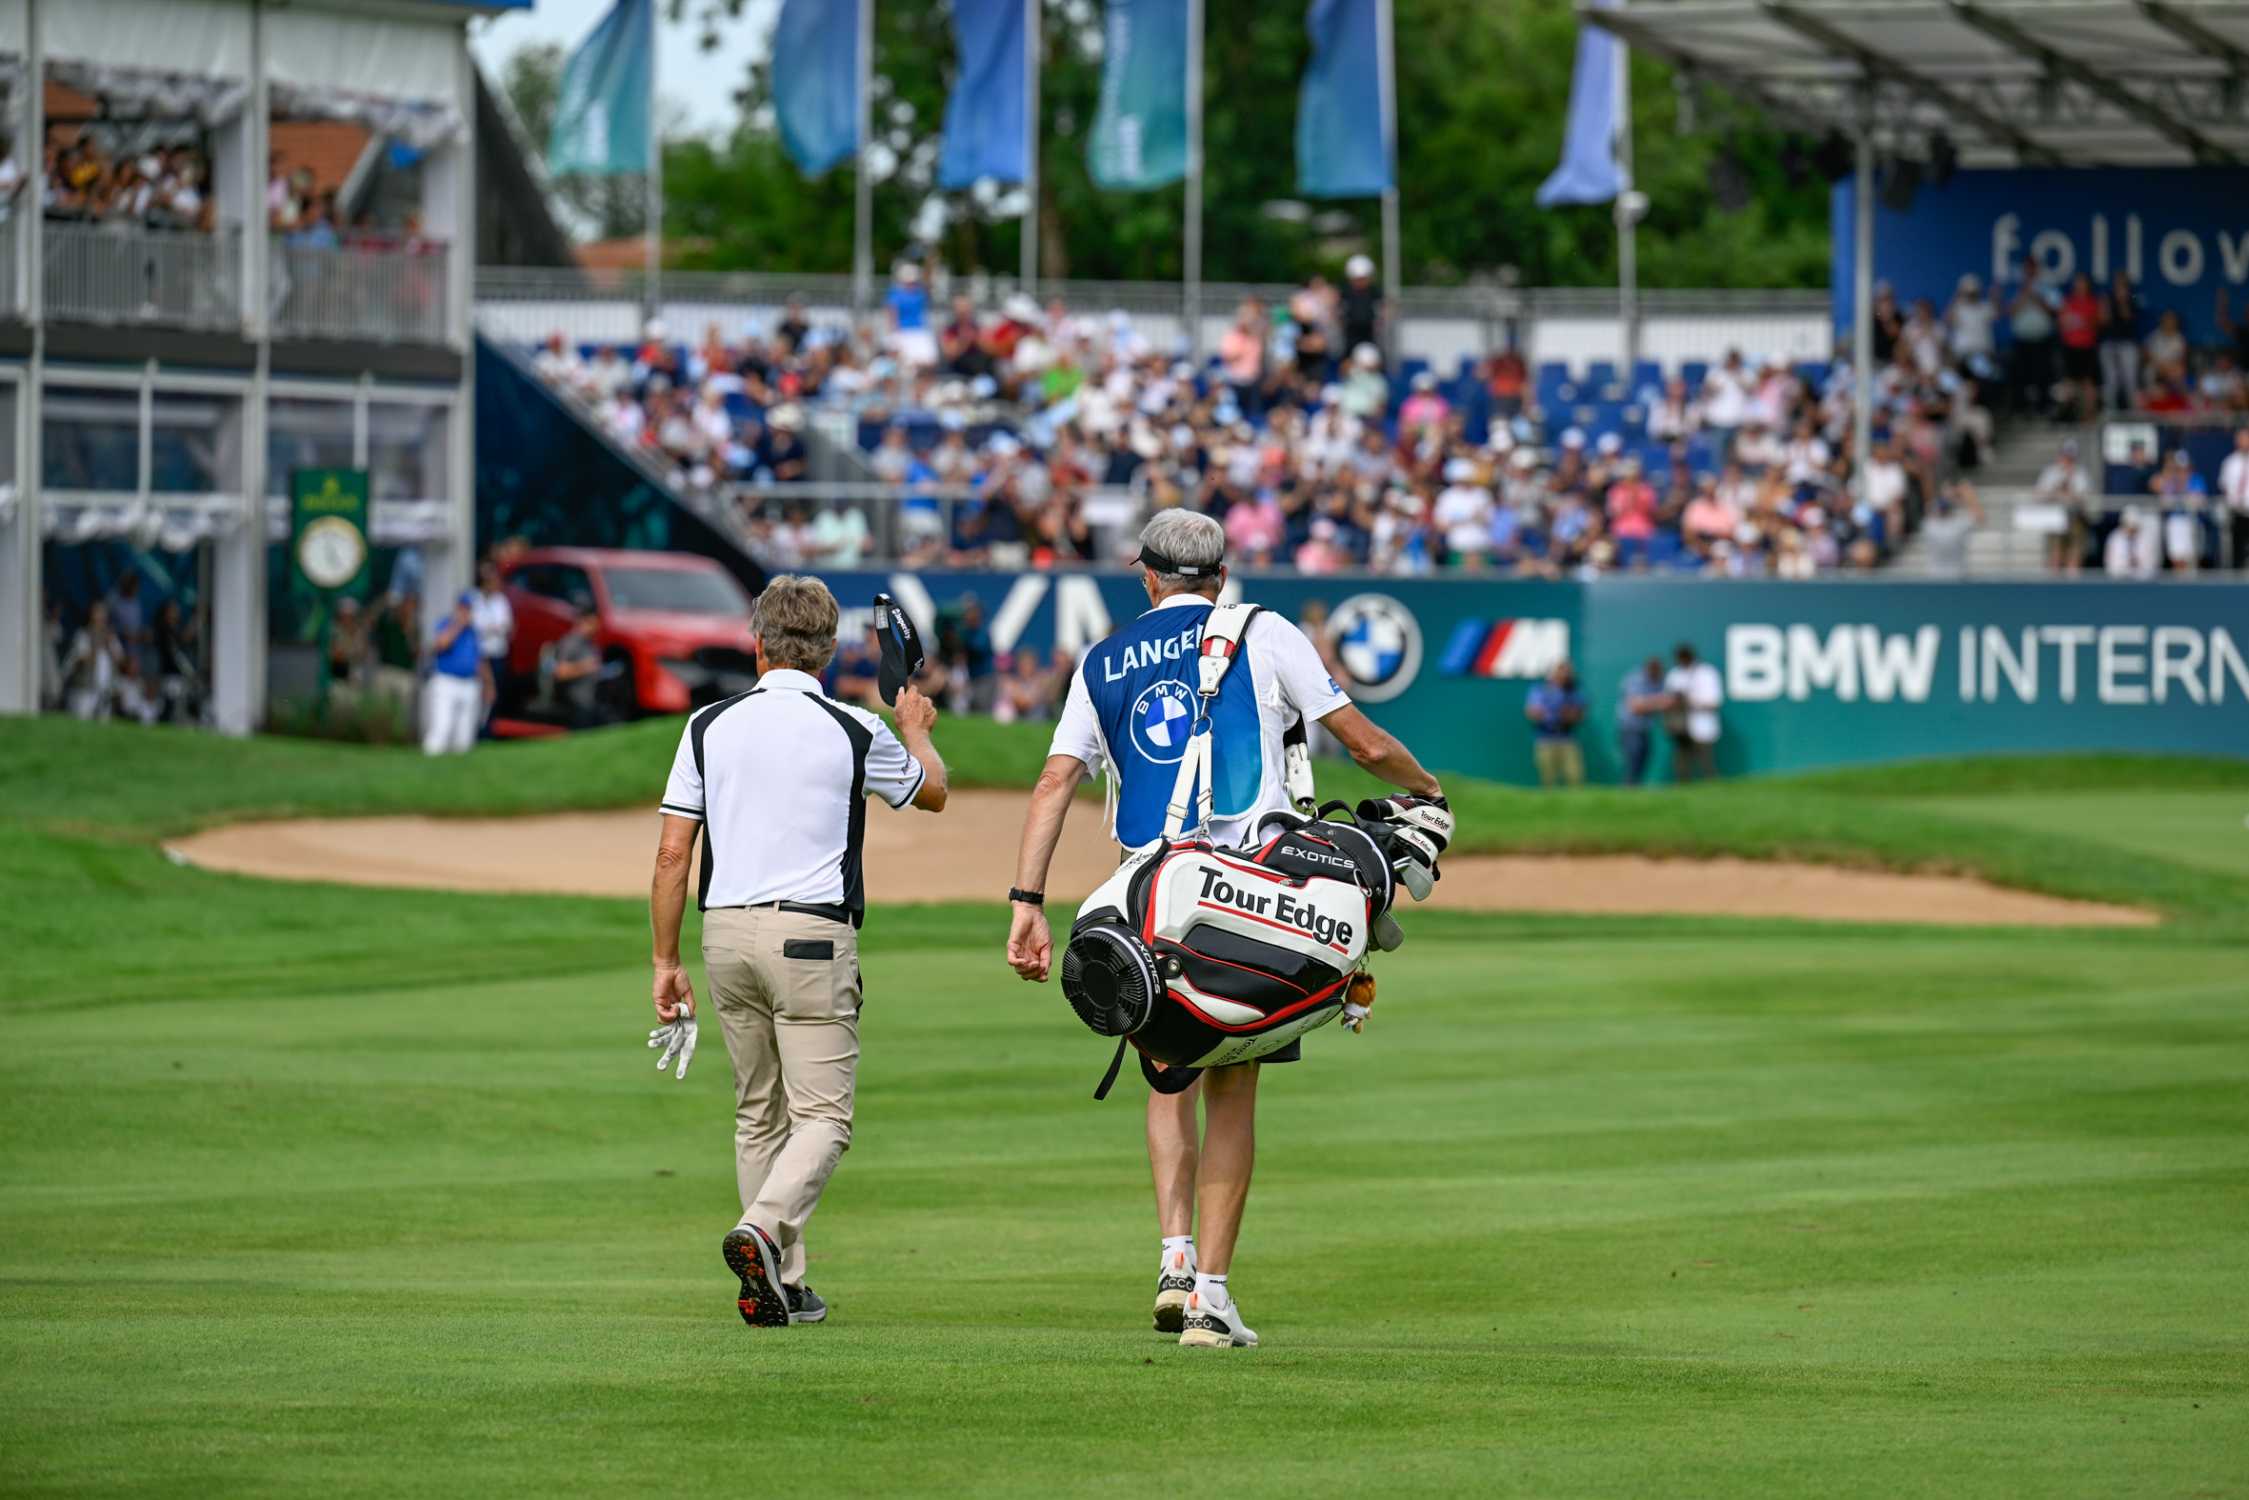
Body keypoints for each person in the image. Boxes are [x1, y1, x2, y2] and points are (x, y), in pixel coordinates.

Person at [1003, 510, 1448, 1350]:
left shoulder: (1102, 658)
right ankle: (1210, 1294)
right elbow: (1360, 742)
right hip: (1258, 887)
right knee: (1234, 1082)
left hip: (1152, 896)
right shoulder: (1266, 630)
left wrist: (1027, 898)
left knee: (1166, 1071)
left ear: (1147, 576)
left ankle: (1172, 1260)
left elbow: (1055, 779)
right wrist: (1426, 787)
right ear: (1220, 575)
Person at [647, 574, 948, 1328]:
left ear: (756, 648)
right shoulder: (854, 728)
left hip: (724, 935)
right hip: (812, 936)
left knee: (758, 1113)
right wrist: (915, 729)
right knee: (823, 1120)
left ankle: (781, 1282)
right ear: (828, 653)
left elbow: (670, 856)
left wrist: (664, 960)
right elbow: (933, 792)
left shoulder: (706, 726)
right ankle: (763, 1229)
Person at [421, 591, 487, 756]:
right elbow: (440, 644)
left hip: (469, 683)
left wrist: (488, 683)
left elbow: (479, 659)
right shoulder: (446, 623)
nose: (469, 612)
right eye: (466, 608)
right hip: (446, 682)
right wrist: (459, 625)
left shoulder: (474, 631)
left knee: (464, 737)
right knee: (442, 728)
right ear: (459, 607)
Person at [1662, 643, 1722, 783]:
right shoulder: (1675, 674)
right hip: (1681, 727)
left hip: (1702, 725)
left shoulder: (1707, 673)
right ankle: (1683, 788)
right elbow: (1668, 700)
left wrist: (1689, 701)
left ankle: (1713, 789)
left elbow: (1714, 702)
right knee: (1681, 763)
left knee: (1706, 762)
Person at [1524, 660, 1586, 788]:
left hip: (1567, 738)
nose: (1564, 675)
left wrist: (1557, 712)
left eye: (1567, 671)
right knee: (1548, 780)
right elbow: (1533, 712)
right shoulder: (1539, 690)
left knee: (1575, 777)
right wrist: (1556, 712)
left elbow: (1577, 715)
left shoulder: (1574, 692)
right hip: (1545, 738)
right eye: (1560, 671)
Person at [472, 559, 514, 732]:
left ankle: (488, 729)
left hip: (498, 654)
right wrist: (493, 628)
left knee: (496, 693)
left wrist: (490, 628)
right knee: (481, 693)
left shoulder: (501, 600)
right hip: (481, 655)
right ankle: (477, 729)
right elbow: (476, 627)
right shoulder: (474, 599)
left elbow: (506, 626)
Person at [1616, 656, 1667, 787]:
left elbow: (1665, 702)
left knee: (1644, 757)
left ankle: (1635, 787)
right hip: (1630, 727)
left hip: (1645, 728)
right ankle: (1628, 787)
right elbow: (1636, 706)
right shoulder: (1634, 679)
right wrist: (1658, 702)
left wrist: (1650, 702)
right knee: (1633, 758)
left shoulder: (1658, 680)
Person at [2217, 427, 2249, 572]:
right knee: (2237, 548)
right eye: (2240, 438)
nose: (2243, 442)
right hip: (2236, 511)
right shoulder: (2229, 462)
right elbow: (2223, 485)